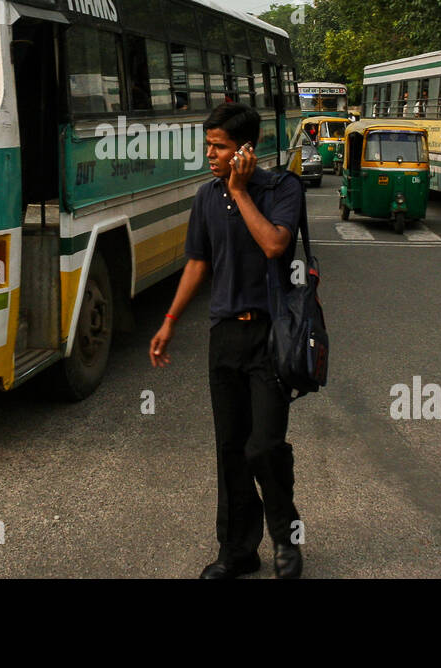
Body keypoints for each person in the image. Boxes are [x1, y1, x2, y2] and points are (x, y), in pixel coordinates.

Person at [149, 103, 304, 579]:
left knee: (264, 445)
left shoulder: (282, 189)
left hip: (270, 335)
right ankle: (237, 550)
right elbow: (198, 261)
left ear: (246, 149)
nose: (210, 154)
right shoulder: (206, 197)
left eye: (219, 146)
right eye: (208, 145)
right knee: (231, 449)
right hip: (225, 335)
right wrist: (170, 319)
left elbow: (275, 244)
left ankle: (286, 535)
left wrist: (240, 191)